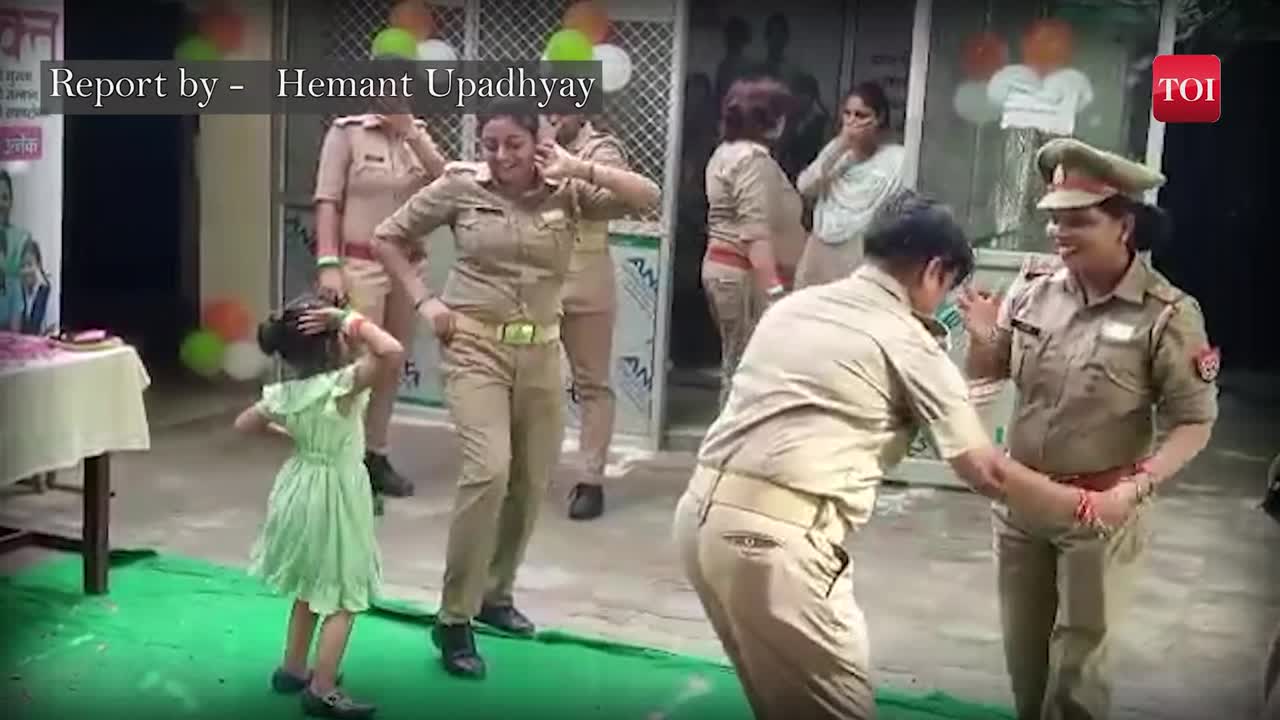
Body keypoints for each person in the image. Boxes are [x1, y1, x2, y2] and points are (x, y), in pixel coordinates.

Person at [674, 189, 1141, 720]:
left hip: (698, 523)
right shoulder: (908, 341)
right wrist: (1085, 506)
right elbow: (984, 469)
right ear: (934, 270)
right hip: (777, 544)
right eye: (947, 286)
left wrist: (982, 354)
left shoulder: (797, 306)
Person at [371, 99, 659, 679]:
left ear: (537, 145)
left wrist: (579, 169)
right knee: (489, 470)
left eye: (513, 145)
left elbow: (647, 197)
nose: (500, 156)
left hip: (542, 351)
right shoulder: (460, 188)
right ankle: (453, 618)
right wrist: (424, 300)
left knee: (530, 478)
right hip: (475, 346)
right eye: (490, 145)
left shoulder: (568, 190)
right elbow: (387, 236)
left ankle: (495, 596)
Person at [958, 138, 1220, 720]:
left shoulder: (1168, 314)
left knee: (1078, 671)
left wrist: (1138, 487)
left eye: (1077, 219)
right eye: (1053, 218)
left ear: (1124, 224)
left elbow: (1195, 421)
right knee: (1025, 663)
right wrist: (981, 338)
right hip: (1021, 504)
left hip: (1098, 510)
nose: (1058, 232)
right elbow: (991, 372)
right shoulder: (1033, 290)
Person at [234, 293, 406, 719]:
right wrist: (349, 317)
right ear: (335, 343)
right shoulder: (342, 386)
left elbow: (244, 424)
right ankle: (323, 687)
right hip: (337, 493)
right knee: (345, 595)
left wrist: (294, 436)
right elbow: (392, 351)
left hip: (298, 486)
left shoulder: (286, 393)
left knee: (310, 584)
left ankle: (293, 668)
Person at [312, 102, 448, 511]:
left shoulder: (415, 135)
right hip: (359, 264)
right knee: (359, 366)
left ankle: (375, 454)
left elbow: (444, 181)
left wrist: (412, 132)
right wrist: (328, 263)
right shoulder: (347, 132)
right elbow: (327, 201)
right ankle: (344, 465)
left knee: (392, 364)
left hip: (406, 266)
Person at [544, 112, 633, 520]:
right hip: (537, 275)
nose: (553, 115)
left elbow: (617, 200)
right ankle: (521, 472)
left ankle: (590, 481)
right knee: (526, 375)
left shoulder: (604, 150)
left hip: (586, 275)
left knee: (592, 382)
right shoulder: (529, 140)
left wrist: (571, 173)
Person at [702, 77, 806, 410]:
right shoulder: (751, 161)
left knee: (739, 365)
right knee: (746, 370)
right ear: (771, 120)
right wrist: (775, 294)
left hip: (732, 270)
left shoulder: (726, 153)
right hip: (744, 274)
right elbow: (755, 233)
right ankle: (728, 450)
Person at [794, 81, 905, 289]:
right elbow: (805, 186)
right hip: (821, 250)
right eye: (847, 114)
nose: (852, 122)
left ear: (878, 119)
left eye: (861, 115)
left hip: (859, 252)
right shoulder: (838, 156)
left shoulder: (896, 160)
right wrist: (840, 145)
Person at [1, 169, 31, 331]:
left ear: (11, 201)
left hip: (12, 324)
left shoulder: (23, 238)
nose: (0, 204)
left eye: (4, 198)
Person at [714, 17, 754, 113]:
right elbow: (719, 95)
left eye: (737, 37)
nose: (733, 40)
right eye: (731, 36)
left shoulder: (748, 66)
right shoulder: (723, 66)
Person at [18, 240, 51, 335]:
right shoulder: (19, 292)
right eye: (22, 266)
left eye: (29, 264)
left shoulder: (46, 290)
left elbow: (46, 328)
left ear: (38, 265)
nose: (26, 270)